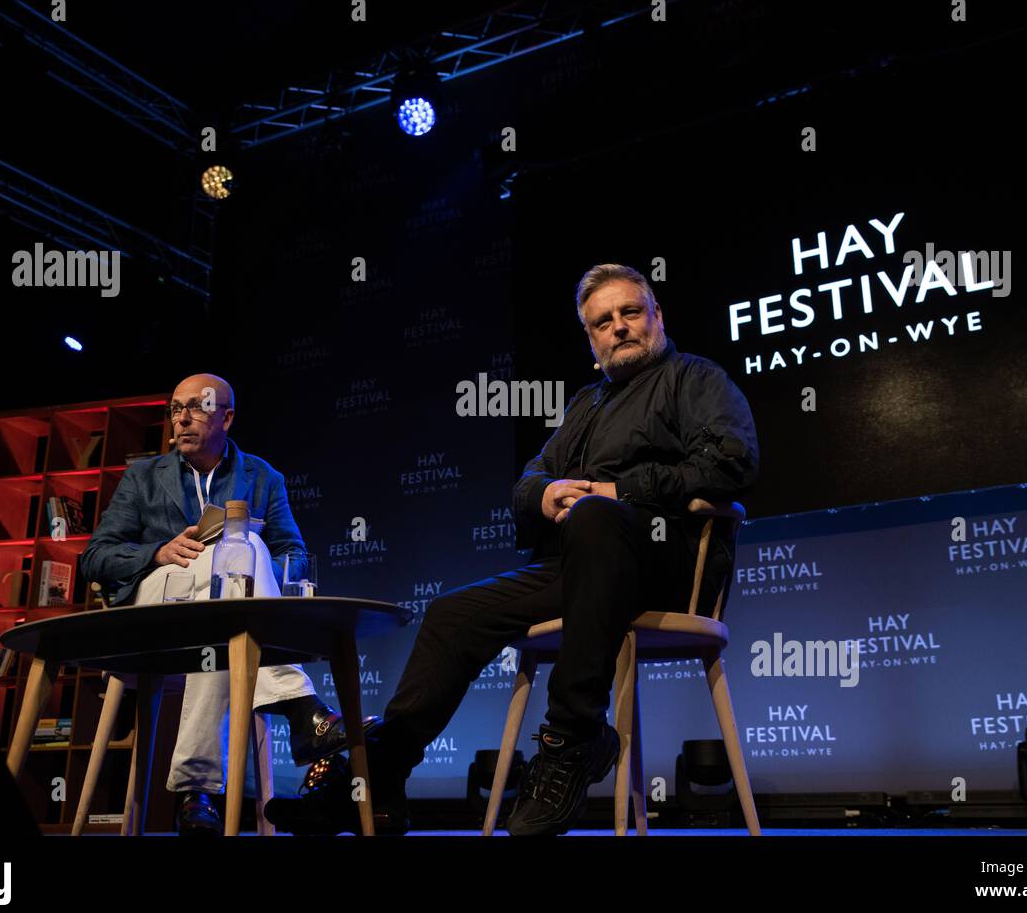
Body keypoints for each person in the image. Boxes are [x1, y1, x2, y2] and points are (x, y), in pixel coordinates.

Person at [267, 263, 760, 836]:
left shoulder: (696, 378)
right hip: (581, 567)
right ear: (591, 339)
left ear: (658, 316)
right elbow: (530, 479)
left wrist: (619, 491)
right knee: (453, 614)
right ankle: (380, 775)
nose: (619, 327)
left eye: (631, 312)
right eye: (603, 322)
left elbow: (732, 462)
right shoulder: (587, 403)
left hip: (665, 564)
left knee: (596, 515)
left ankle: (571, 738)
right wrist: (544, 494)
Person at [78, 373, 374, 835]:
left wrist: (249, 562)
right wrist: (157, 552)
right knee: (242, 551)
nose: (182, 418)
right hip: (156, 608)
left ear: (227, 417)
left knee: (234, 584)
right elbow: (94, 558)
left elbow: (293, 553)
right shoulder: (142, 477)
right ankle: (302, 709)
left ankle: (196, 794)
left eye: (197, 407)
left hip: (218, 619)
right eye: (176, 409)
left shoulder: (263, 477)